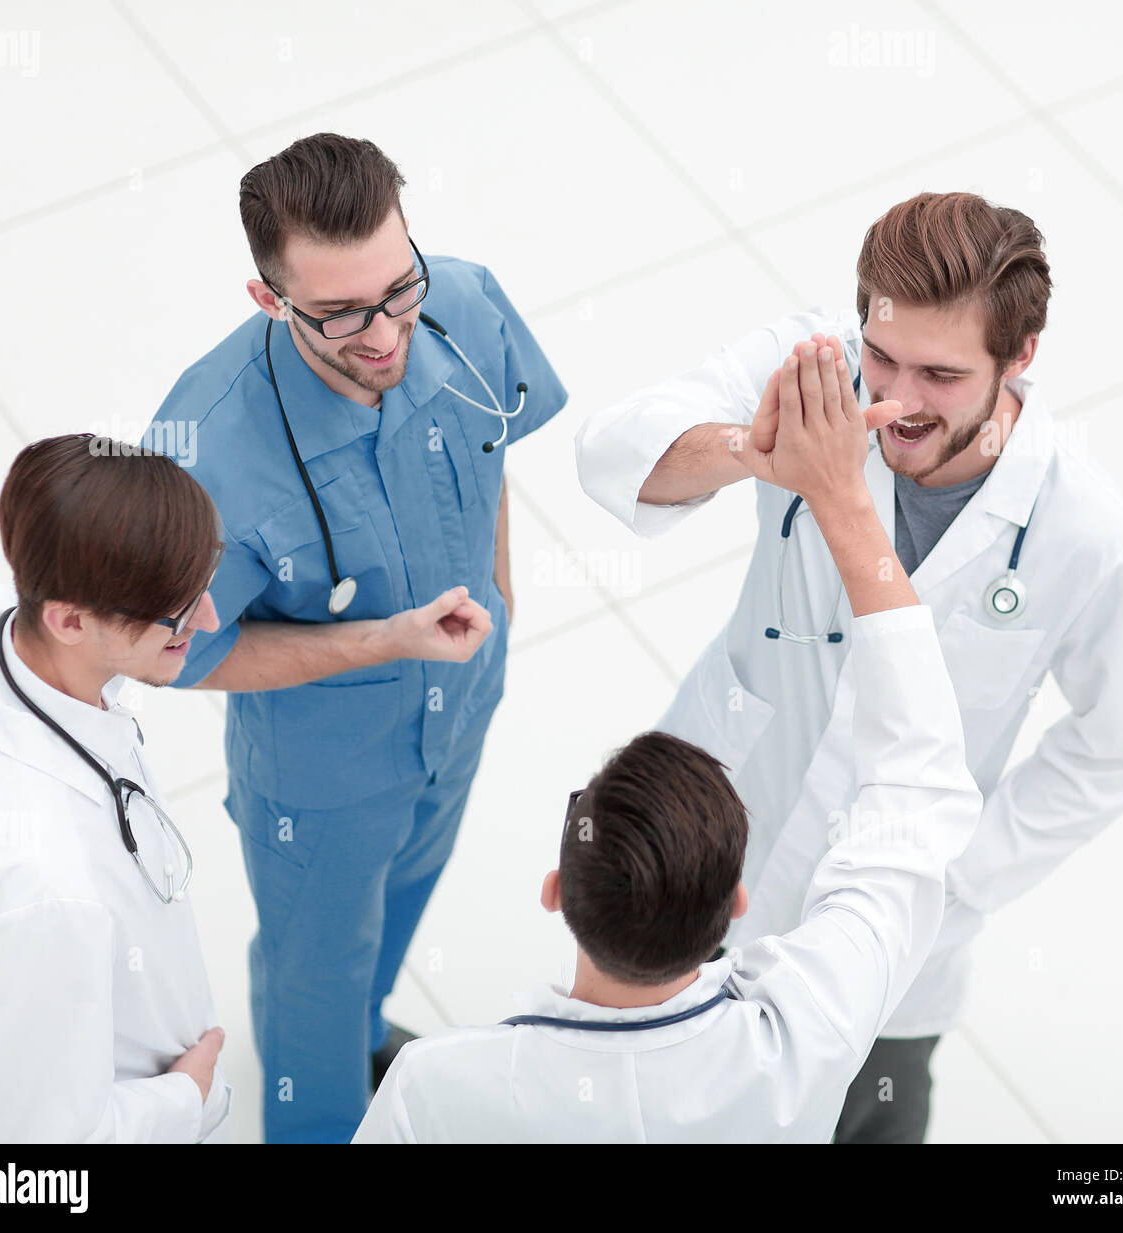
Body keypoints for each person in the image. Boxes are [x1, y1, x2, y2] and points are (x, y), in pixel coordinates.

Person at [575, 191, 1123, 1143]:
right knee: (656, 1093)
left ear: (1019, 359)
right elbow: (615, 455)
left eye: (941, 373)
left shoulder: (1085, 532)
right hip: (716, 831)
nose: (894, 398)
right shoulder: (816, 368)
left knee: (866, 1114)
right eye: (883, 357)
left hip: (902, 915)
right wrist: (755, 450)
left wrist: (958, 876)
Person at [354, 341, 982, 1143]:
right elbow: (917, 795)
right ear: (738, 907)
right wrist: (845, 504)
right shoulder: (811, 1030)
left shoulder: (439, 1086)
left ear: (555, 891)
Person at [143, 132, 568, 1143]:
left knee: (404, 903)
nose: (384, 336)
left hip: (460, 708)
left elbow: (493, 435)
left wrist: (498, 599)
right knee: (313, 982)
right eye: (338, 314)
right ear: (269, 301)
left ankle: (368, 1033)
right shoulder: (199, 449)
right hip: (323, 778)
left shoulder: (459, 303)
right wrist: (384, 645)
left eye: (396, 291)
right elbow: (173, 656)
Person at [0, 435, 230, 1143]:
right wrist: (186, 1098)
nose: (211, 620)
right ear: (68, 619)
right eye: (176, 614)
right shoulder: (50, 891)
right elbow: (33, 1157)